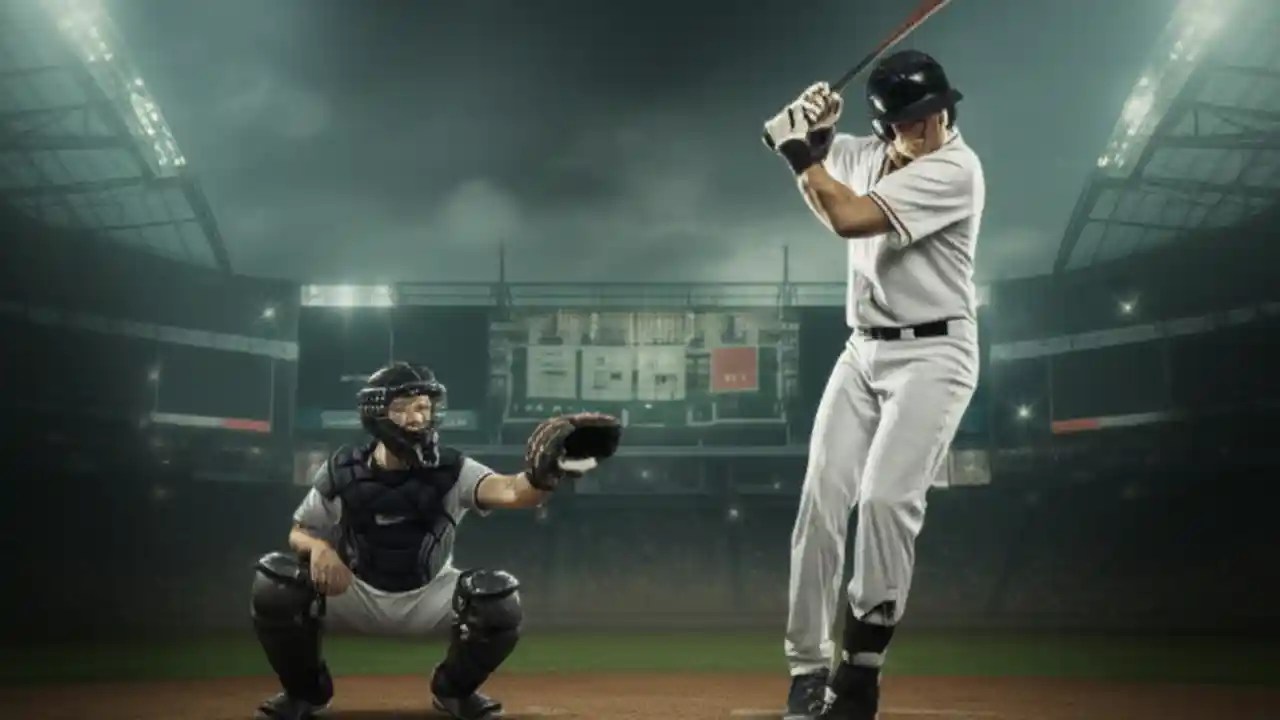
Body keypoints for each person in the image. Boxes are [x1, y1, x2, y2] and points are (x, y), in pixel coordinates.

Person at [762, 50, 985, 720]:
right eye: (913, 119)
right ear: (888, 126)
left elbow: (846, 216)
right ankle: (807, 669)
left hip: (936, 352)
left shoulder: (956, 168)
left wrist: (796, 149)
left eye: (937, 111)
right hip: (863, 352)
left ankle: (859, 672)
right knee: (820, 503)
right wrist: (813, 131)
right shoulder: (868, 152)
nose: (930, 126)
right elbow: (824, 168)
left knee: (887, 501)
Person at [250, 361, 620, 720]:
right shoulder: (343, 470)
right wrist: (320, 549)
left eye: (424, 408)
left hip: (429, 596)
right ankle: (304, 693)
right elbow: (300, 530)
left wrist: (544, 474)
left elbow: (513, 491)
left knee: (499, 600)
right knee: (275, 582)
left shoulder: (452, 468)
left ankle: (454, 691)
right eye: (403, 408)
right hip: (353, 588)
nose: (416, 418)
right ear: (376, 414)